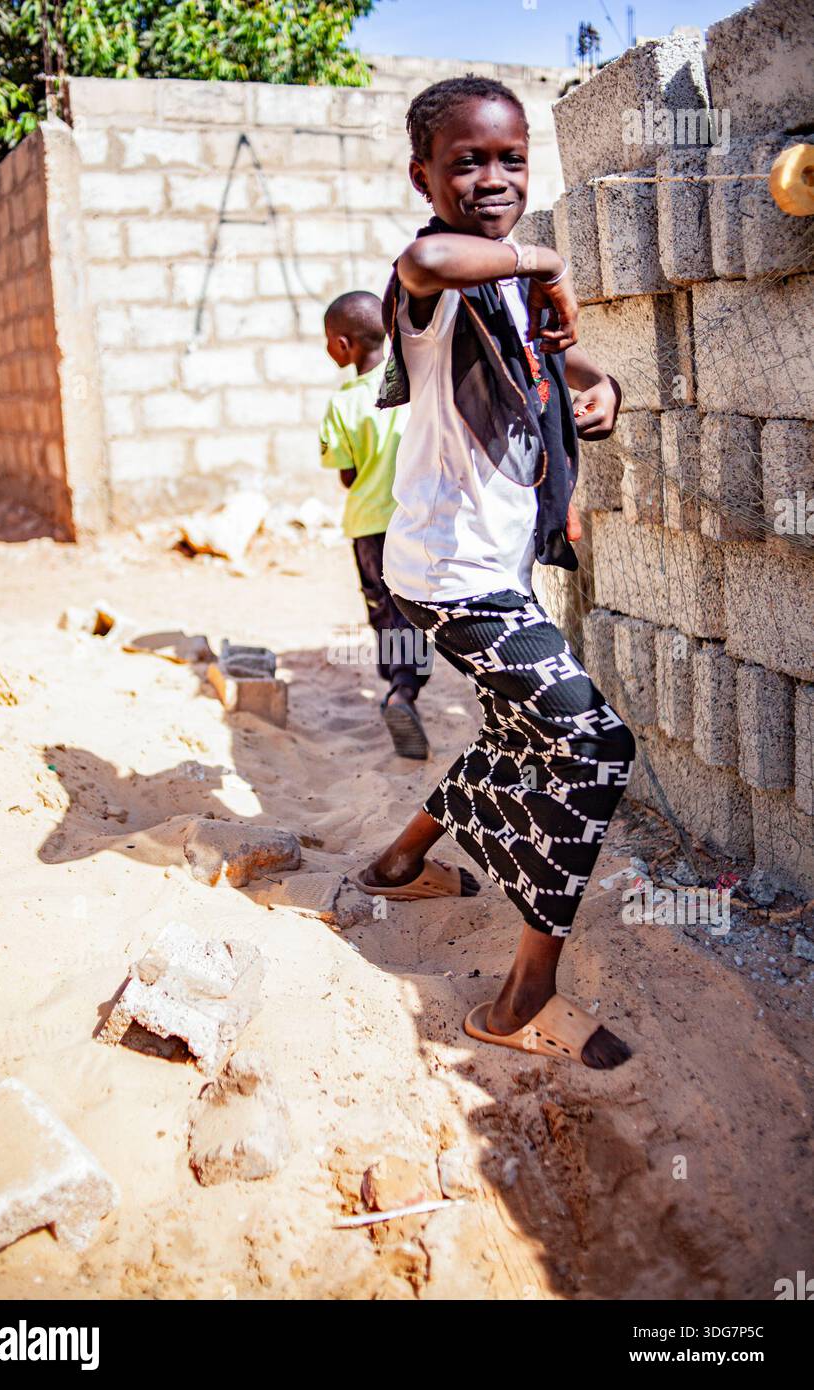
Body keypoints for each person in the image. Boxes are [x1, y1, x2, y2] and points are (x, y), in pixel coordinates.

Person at [355, 76, 636, 1069]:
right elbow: (425, 255)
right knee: (594, 748)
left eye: (508, 159)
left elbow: (536, 371)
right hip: (449, 575)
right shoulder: (434, 282)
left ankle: (397, 862)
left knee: (524, 732)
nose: (490, 179)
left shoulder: (504, 282)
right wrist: (548, 254)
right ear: (421, 175)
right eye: (464, 161)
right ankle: (518, 1001)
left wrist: (589, 386)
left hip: (484, 567)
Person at [320, 290, 431, 759]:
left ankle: (396, 687)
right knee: (415, 606)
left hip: (368, 526)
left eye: (327, 341)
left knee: (382, 608)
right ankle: (408, 687)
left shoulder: (342, 405)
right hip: (418, 518)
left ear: (343, 346)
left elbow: (347, 474)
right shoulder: (414, 384)